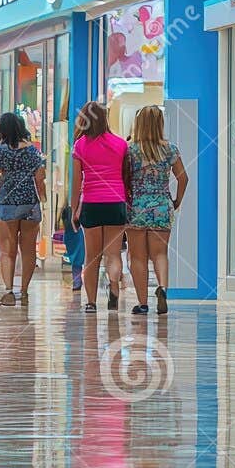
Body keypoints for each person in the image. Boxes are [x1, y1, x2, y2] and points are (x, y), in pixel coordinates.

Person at [126, 105, 189, 315]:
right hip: (162, 205)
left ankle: (142, 303)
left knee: (137, 257)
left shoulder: (130, 150)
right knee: (160, 253)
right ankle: (162, 288)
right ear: (160, 123)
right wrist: (176, 200)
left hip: (136, 206)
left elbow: (123, 178)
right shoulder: (170, 149)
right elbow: (183, 178)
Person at [70, 101, 130, 314]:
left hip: (92, 204)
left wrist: (73, 209)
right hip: (116, 202)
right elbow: (125, 176)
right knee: (113, 255)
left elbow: (76, 182)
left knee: (91, 257)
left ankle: (91, 303)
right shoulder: (121, 144)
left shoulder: (80, 145)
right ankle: (114, 294)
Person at [0, 112, 47, 307]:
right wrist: (43, 201)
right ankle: (25, 291)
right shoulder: (32, 151)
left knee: (7, 250)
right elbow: (40, 178)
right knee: (28, 250)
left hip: (7, 202)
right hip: (30, 203)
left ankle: (9, 291)